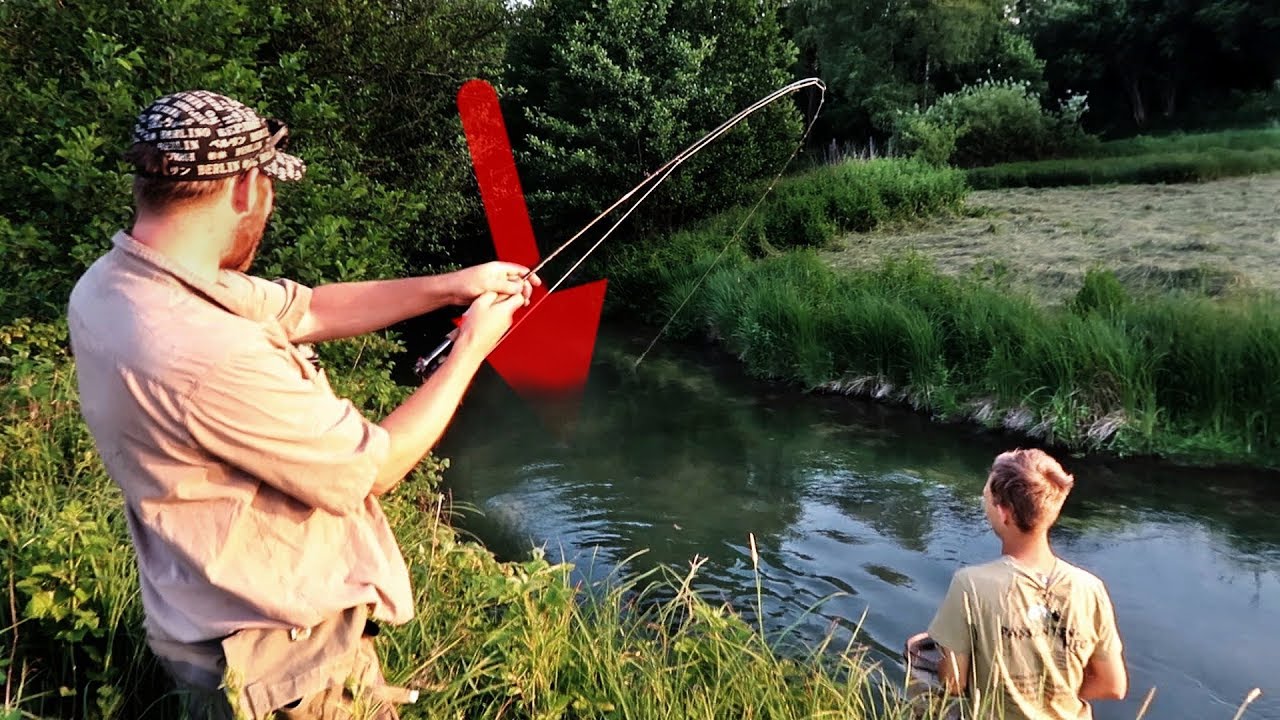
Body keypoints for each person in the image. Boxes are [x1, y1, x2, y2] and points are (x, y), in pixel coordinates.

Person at [67, 90, 541, 719]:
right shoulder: (210, 351)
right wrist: (471, 351)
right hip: (283, 662)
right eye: (267, 182)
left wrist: (451, 286)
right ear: (242, 187)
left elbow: (307, 308)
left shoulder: (115, 284)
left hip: (205, 619)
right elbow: (373, 469)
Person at [920, 448, 1128, 720]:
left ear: (1003, 512)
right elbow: (1113, 685)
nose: (985, 505)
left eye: (986, 498)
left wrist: (938, 649)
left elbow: (953, 683)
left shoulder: (970, 584)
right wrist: (1048, 697)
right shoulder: (1090, 587)